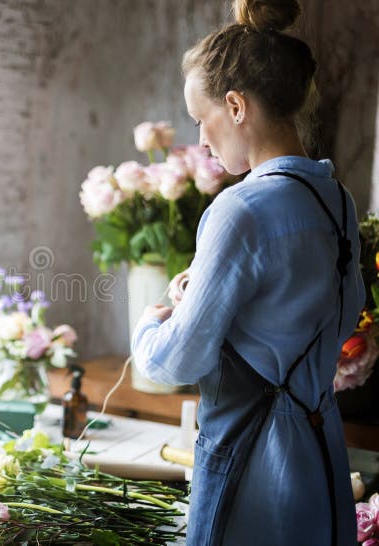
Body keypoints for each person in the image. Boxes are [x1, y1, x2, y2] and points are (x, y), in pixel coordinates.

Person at [130, 1, 364, 544]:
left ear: (236, 105)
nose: (202, 142)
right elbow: (343, 316)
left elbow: (179, 358)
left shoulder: (240, 210)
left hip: (252, 457)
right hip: (319, 449)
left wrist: (150, 325)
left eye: (199, 120)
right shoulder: (336, 199)